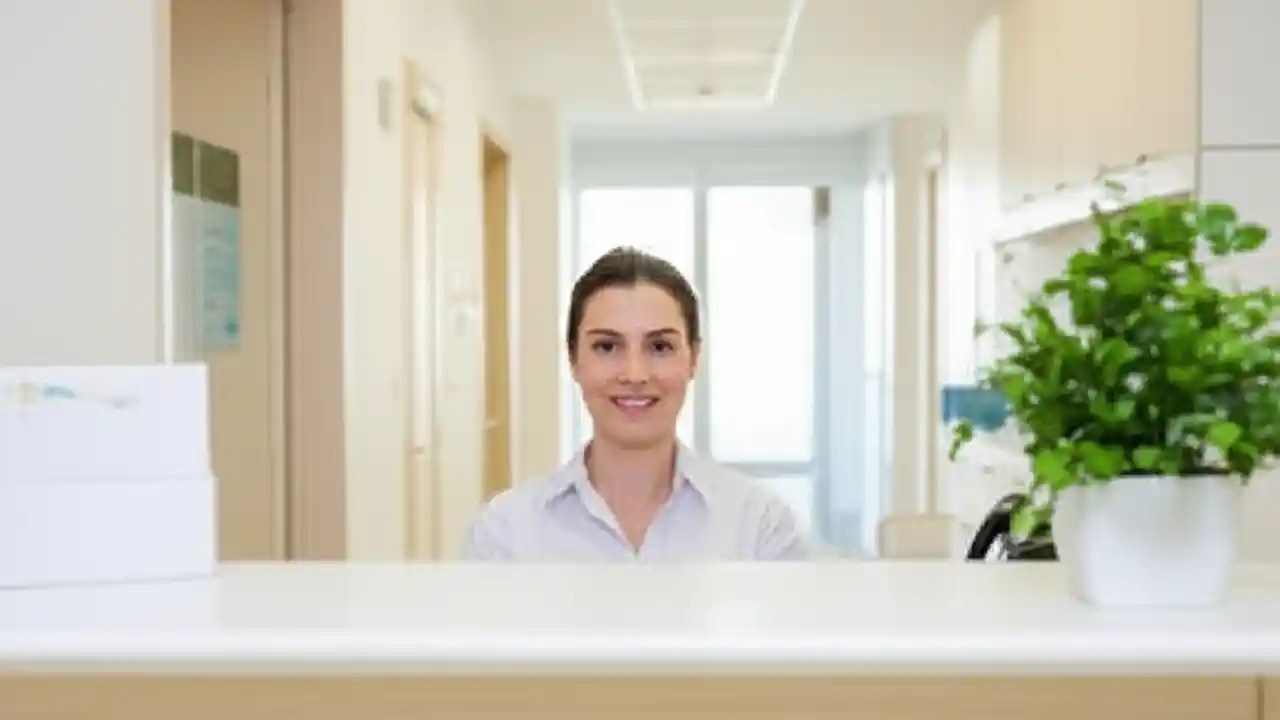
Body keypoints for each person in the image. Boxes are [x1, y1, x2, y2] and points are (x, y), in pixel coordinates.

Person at [462, 246, 807, 561]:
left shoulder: (760, 528)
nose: (635, 374)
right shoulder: (505, 534)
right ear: (573, 360)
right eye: (607, 347)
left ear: (694, 359)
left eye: (659, 347)